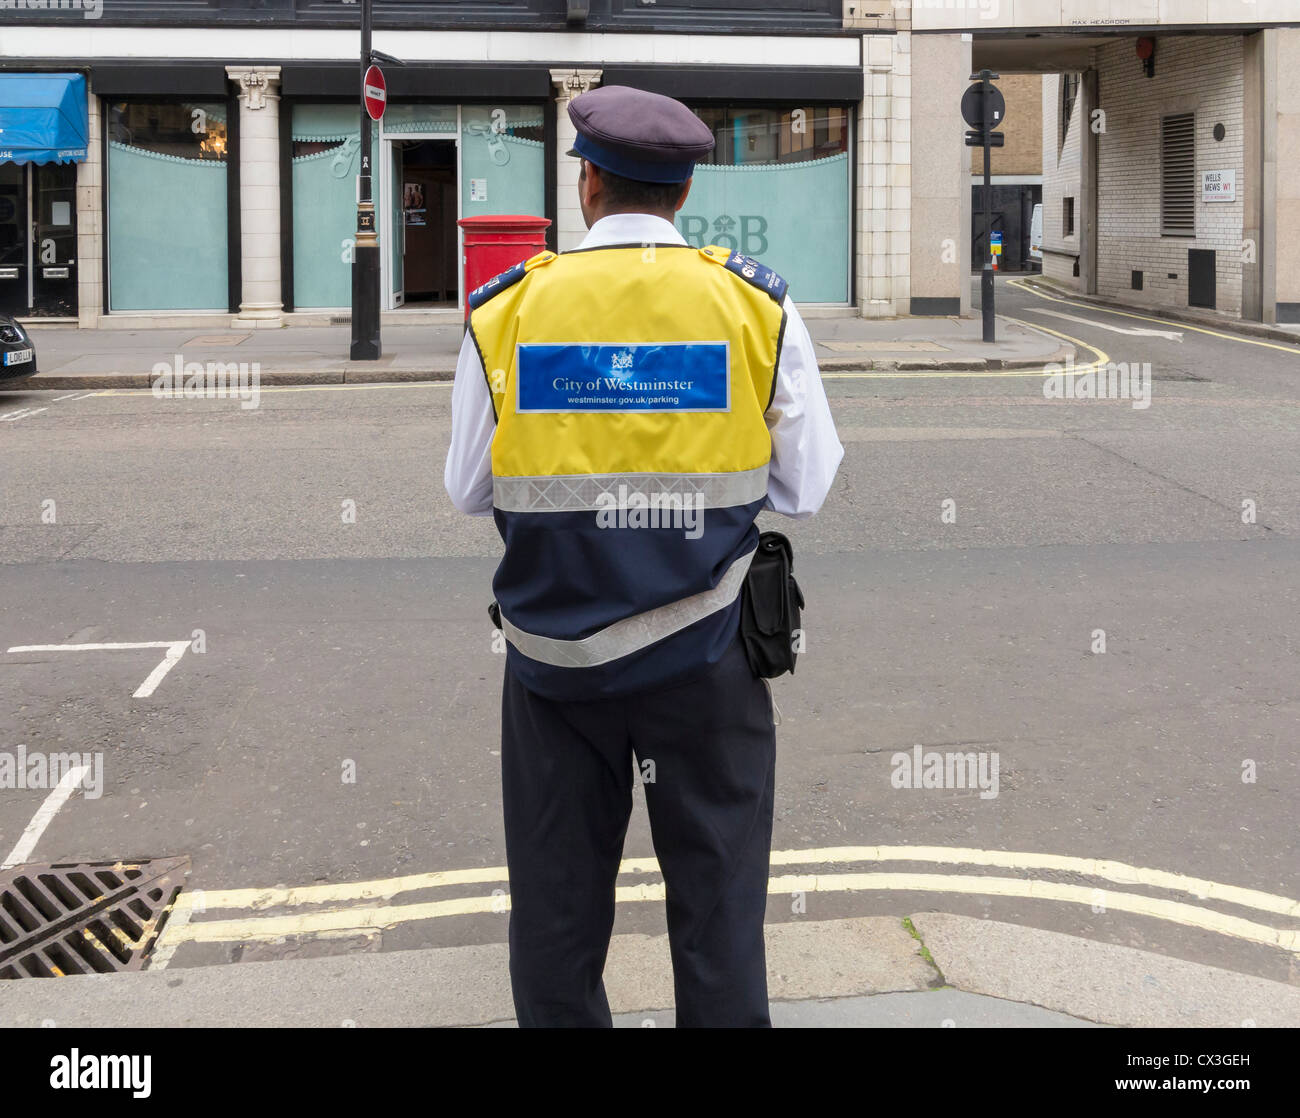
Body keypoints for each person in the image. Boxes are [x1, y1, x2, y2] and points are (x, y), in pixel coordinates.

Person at [445, 84, 842, 1028]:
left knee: (555, 911)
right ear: (681, 192)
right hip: (710, 664)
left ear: (588, 183)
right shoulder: (752, 303)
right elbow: (807, 485)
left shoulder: (508, 310)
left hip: (553, 671)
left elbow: (469, 488)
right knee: (718, 908)